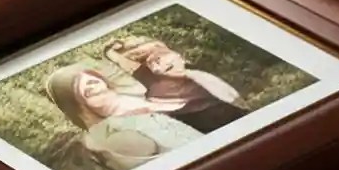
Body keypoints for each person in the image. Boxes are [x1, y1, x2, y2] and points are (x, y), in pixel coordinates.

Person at [43, 64, 202, 170]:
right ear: (78, 106)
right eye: (86, 90)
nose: (93, 86)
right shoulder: (112, 136)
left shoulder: (137, 104)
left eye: (93, 80)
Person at [104, 37, 248, 133]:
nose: (158, 63)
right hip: (190, 123)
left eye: (160, 57)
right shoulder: (153, 82)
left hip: (221, 113)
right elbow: (123, 62)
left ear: (180, 56)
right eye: (152, 62)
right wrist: (111, 51)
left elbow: (231, 97)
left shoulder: (199, 76)